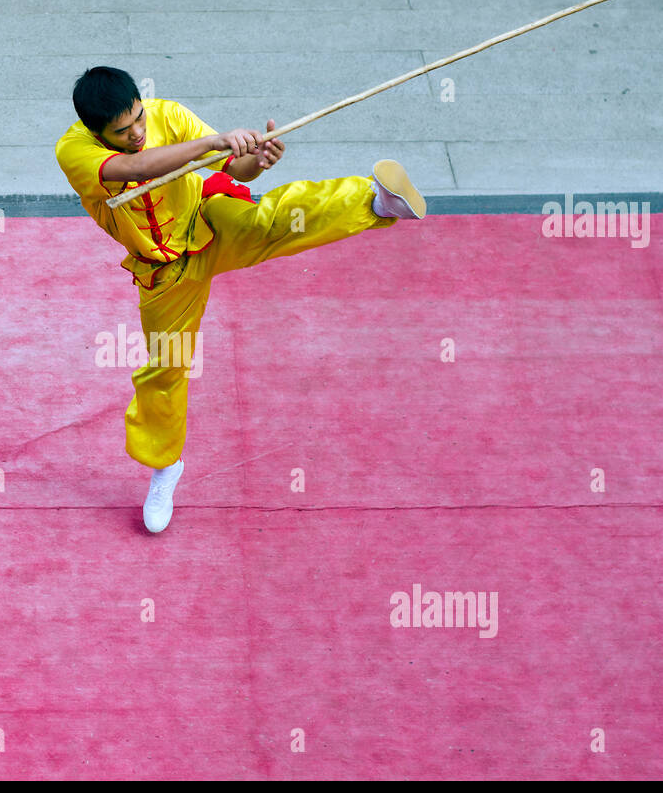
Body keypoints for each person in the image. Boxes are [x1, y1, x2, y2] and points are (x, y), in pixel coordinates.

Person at [55, 66, 424, 533]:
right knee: (164, 370)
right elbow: (134, 168)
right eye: (122, 131)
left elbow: (234, 168)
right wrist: (213, 143)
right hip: (164, 271)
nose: (137, 133)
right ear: (96, 132)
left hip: (208, 219)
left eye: (139, 120)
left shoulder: (170, 114)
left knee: (267, 221)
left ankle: (371, 199)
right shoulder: (73, 150)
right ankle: (166, 467)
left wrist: (257, 159)